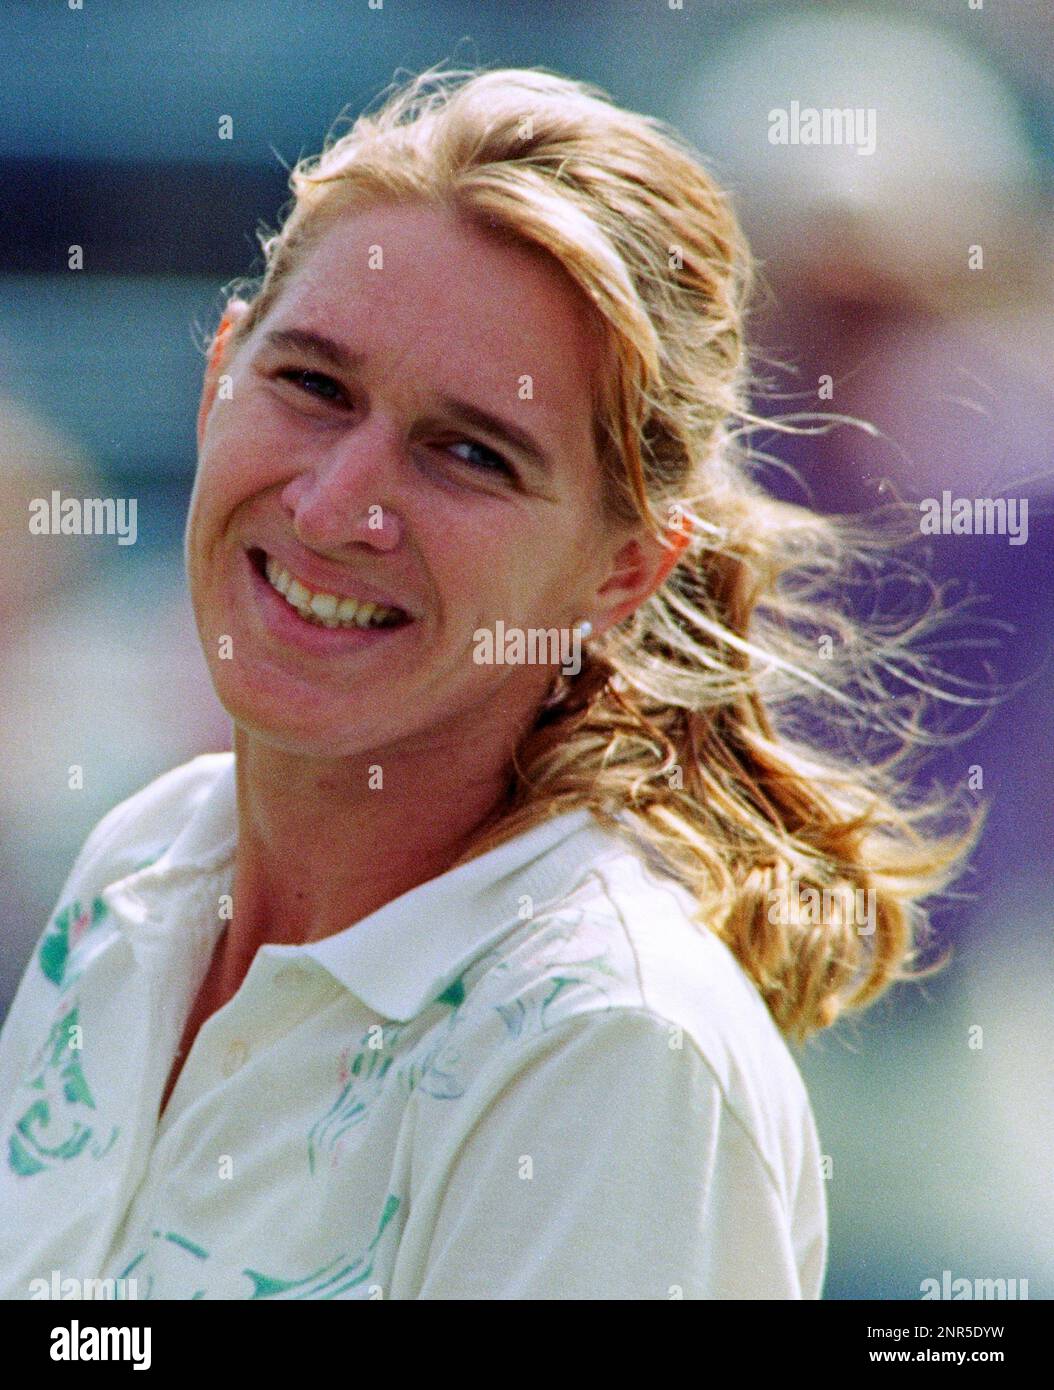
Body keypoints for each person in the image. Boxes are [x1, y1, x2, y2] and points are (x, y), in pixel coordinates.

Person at [0, 63, 978, 1300]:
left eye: (468, 452)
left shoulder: (610, 1050)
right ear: (219, 376)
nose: (336, 504)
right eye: (311, 385)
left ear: (624, 570)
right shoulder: (137, 868)